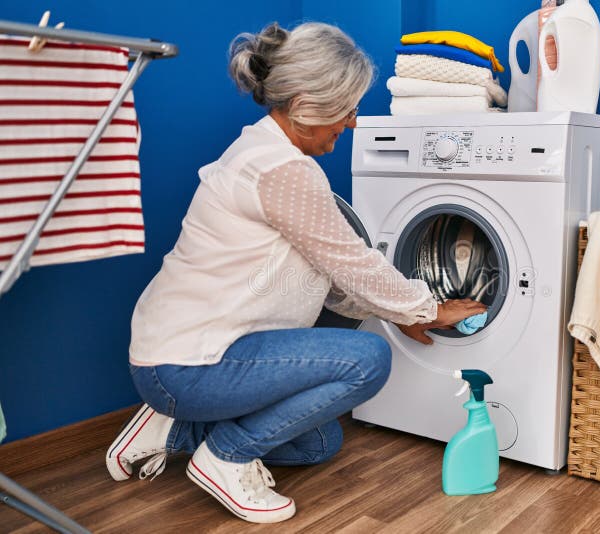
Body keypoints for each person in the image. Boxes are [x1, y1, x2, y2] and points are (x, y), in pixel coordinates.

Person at [105, 21, 486, 524]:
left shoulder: (265, 153)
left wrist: (398, 313)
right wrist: (428, 307)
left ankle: (175, 429)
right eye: (347, 109)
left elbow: (325, 276)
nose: (352, 123)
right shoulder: (283, 170)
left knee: (318, 443)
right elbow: (353, 262)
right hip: (191, 360)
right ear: (308, 105)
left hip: (183, 356)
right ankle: (225, 458)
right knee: (367, 359)